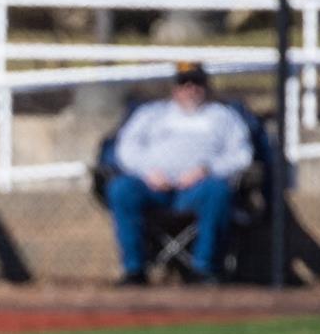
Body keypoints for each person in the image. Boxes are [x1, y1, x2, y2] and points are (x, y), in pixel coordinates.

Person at [105, 61, 253, 285]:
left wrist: (207, 169)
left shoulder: (223, 116)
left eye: (197, 82)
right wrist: (148, 172)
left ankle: (205, 268)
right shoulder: (151, 113)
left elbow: (241, 155)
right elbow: (126, 149)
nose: (190, 88)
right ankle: (134, 270)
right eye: (184, 83)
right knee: (121, 189)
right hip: (153, 187)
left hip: (198, 188)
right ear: (175, 88)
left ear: (206, 86)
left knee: (219, 191)